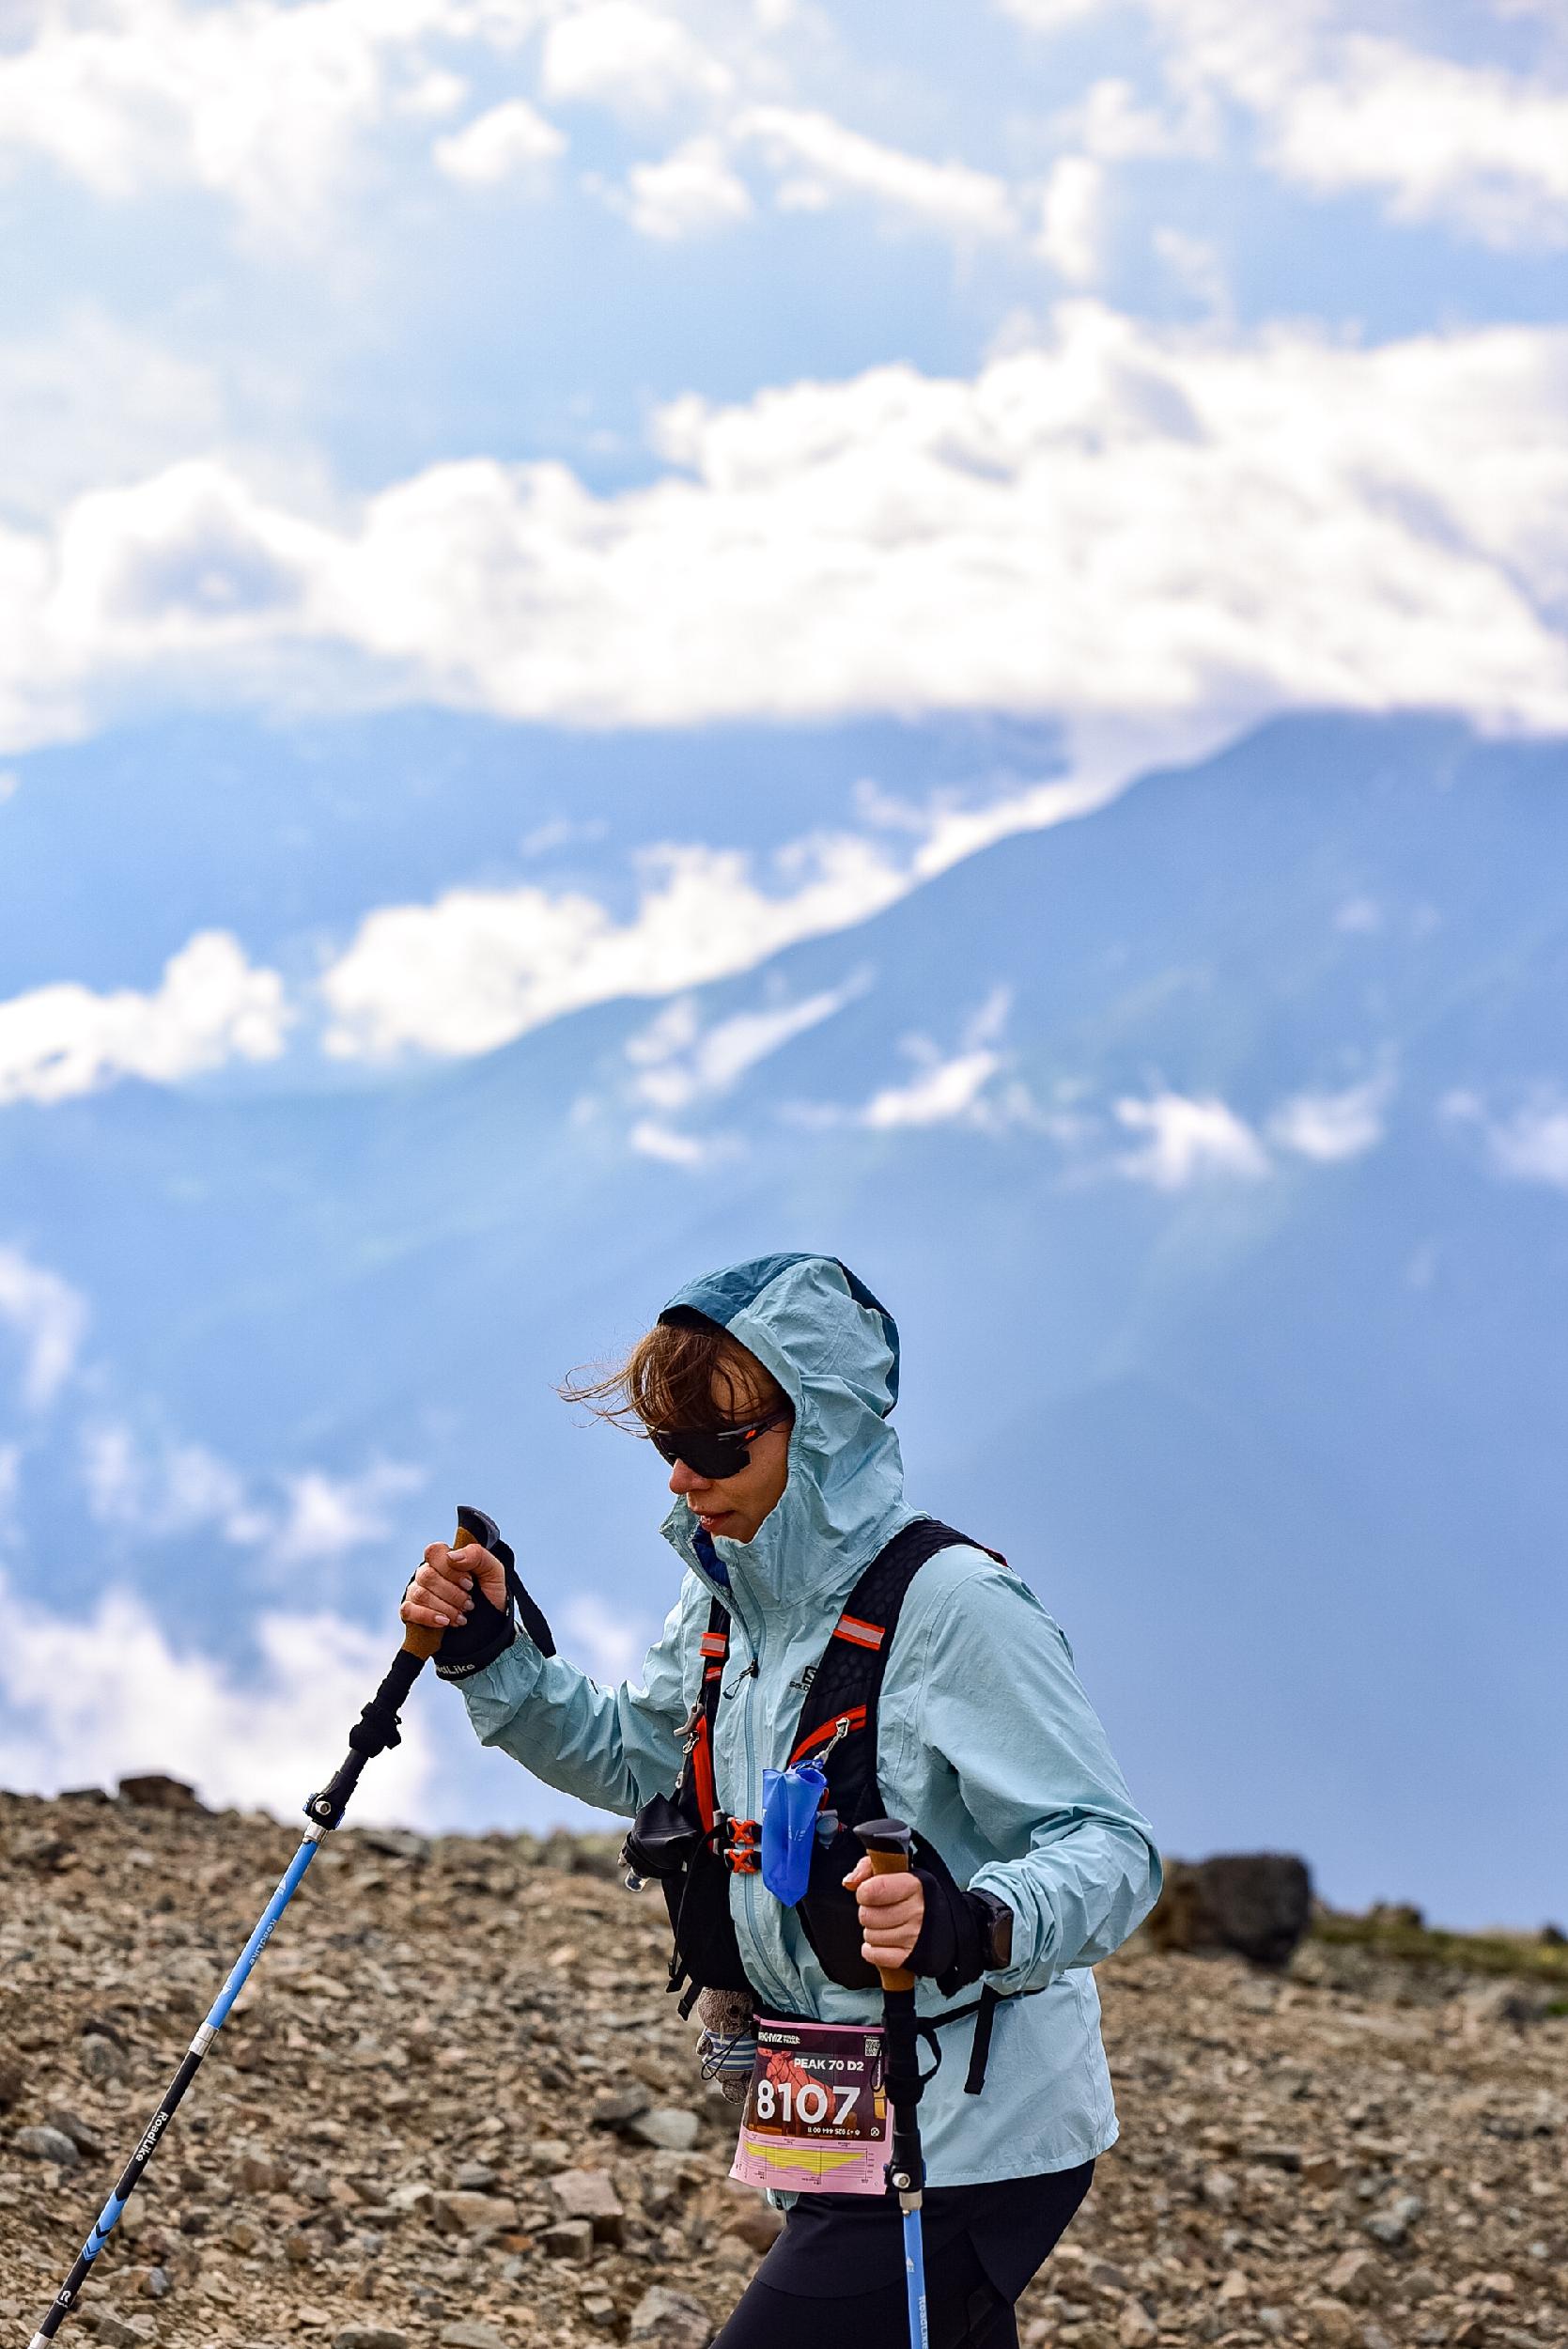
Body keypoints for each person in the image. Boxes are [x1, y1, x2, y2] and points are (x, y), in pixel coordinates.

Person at [403, 1253, 1160, 2348]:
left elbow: (1108, 1846)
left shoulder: (957, 1606)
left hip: (970, 2130)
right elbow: (640, 1759)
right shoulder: (728, 1595)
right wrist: (492, 1655)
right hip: (830, 2107)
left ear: (824, 1427)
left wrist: (973, 1919)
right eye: (666, 1443)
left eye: (717, 1445)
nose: (681, 1477)